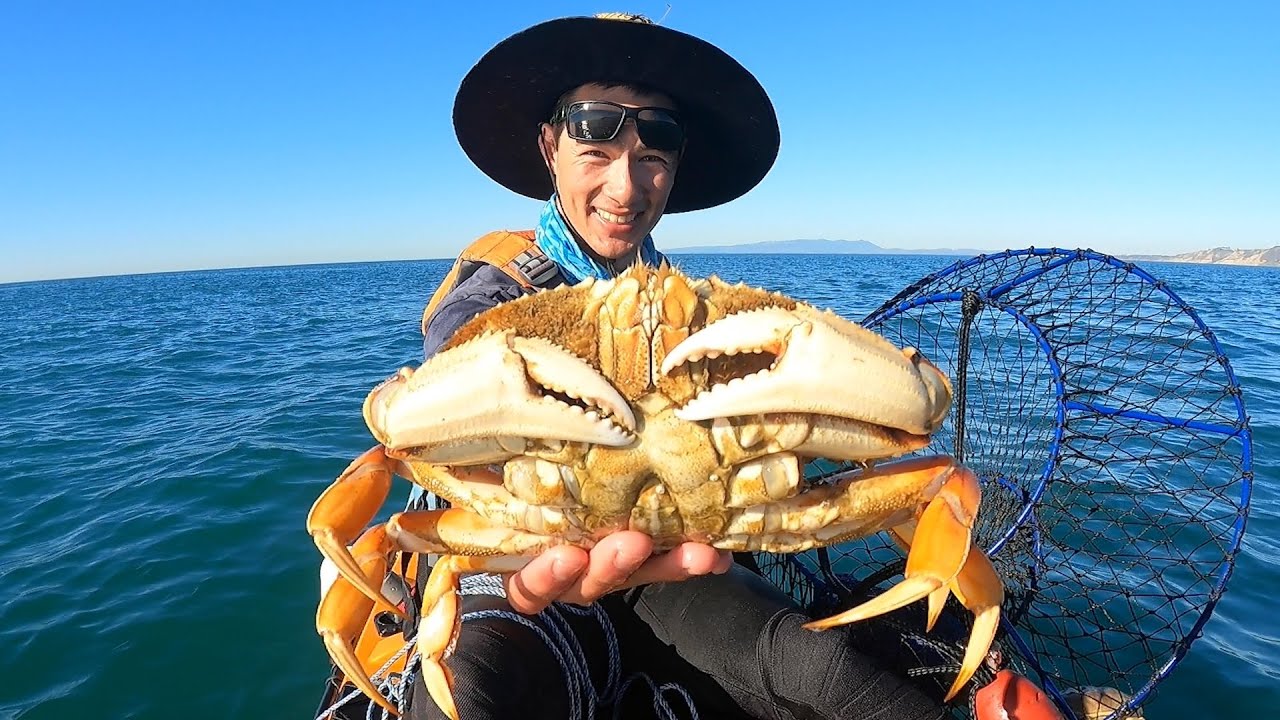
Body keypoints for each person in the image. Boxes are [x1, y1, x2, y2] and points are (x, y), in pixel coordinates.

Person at [401, 12, 958, 720]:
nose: (627, 187)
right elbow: (434, 397)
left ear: (678, 162)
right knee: (471, 690)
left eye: (654, 146)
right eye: (595, 139)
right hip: (527, 556)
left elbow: (895, 417)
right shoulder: (498, 288)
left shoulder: (704, 315)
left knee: (827, 675)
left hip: (676, 558)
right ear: (549, 145)